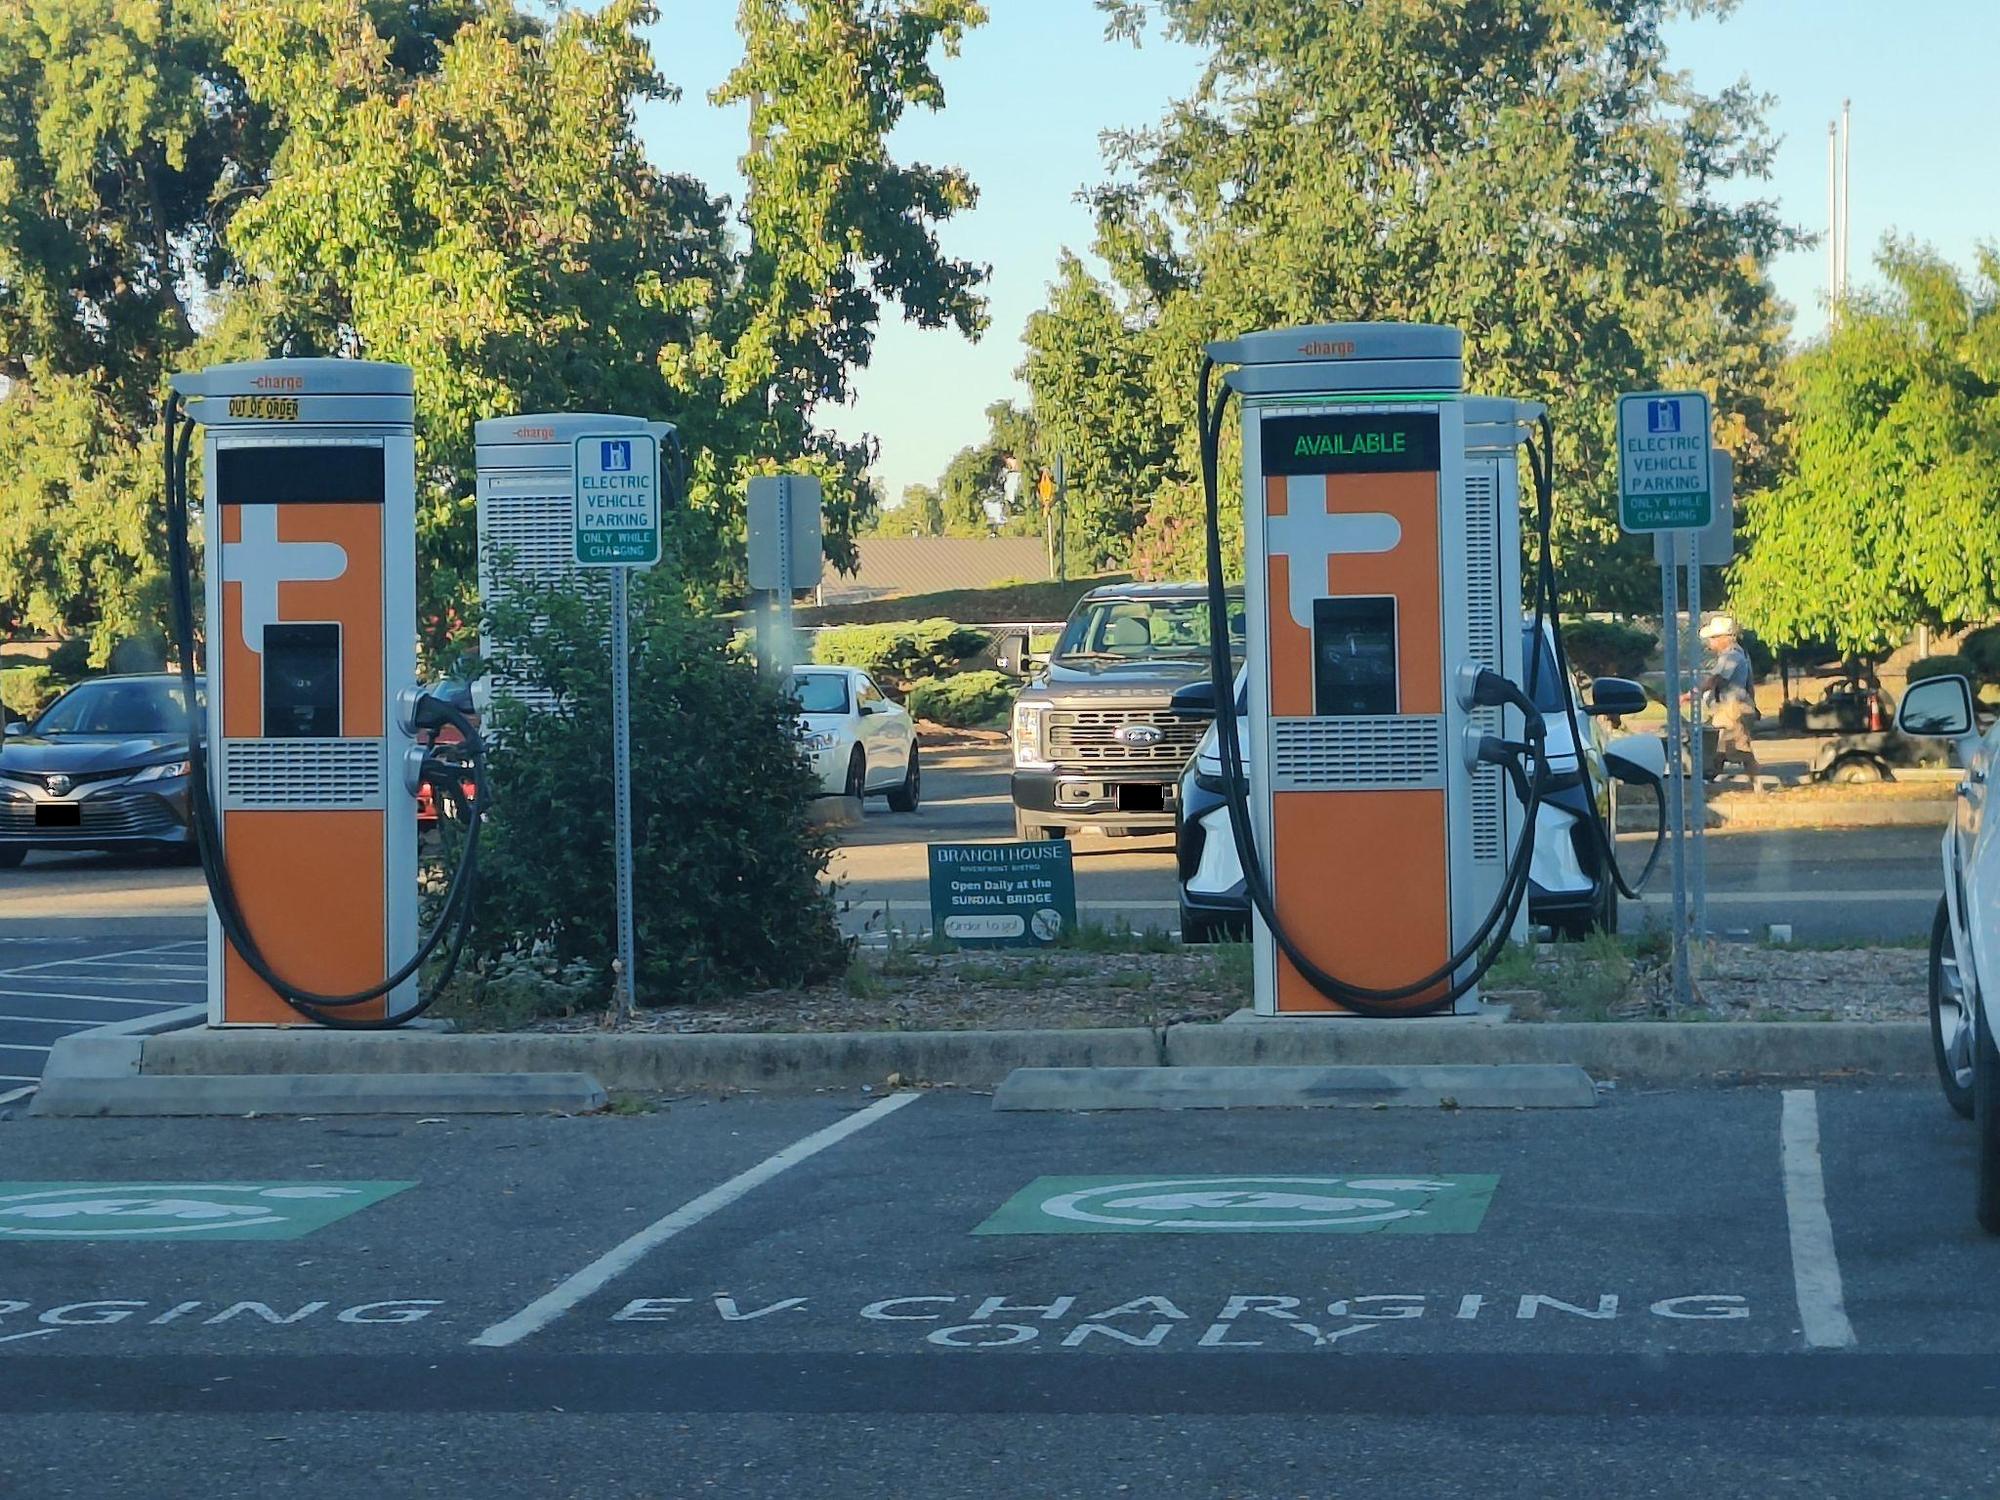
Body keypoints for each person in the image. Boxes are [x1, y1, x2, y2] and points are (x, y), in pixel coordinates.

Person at [1698, 614, 1760, 782]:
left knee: (1740, 748)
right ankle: (1709, 780)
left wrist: (1693, 694)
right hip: (1730, 707)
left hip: (1732, 708)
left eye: (1712, 638)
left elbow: (1715, 679)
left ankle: (1757, 786)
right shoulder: (1739, 653)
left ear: (1723, 638)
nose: (1710, 643)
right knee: (1720, 747)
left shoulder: (1730, 656)